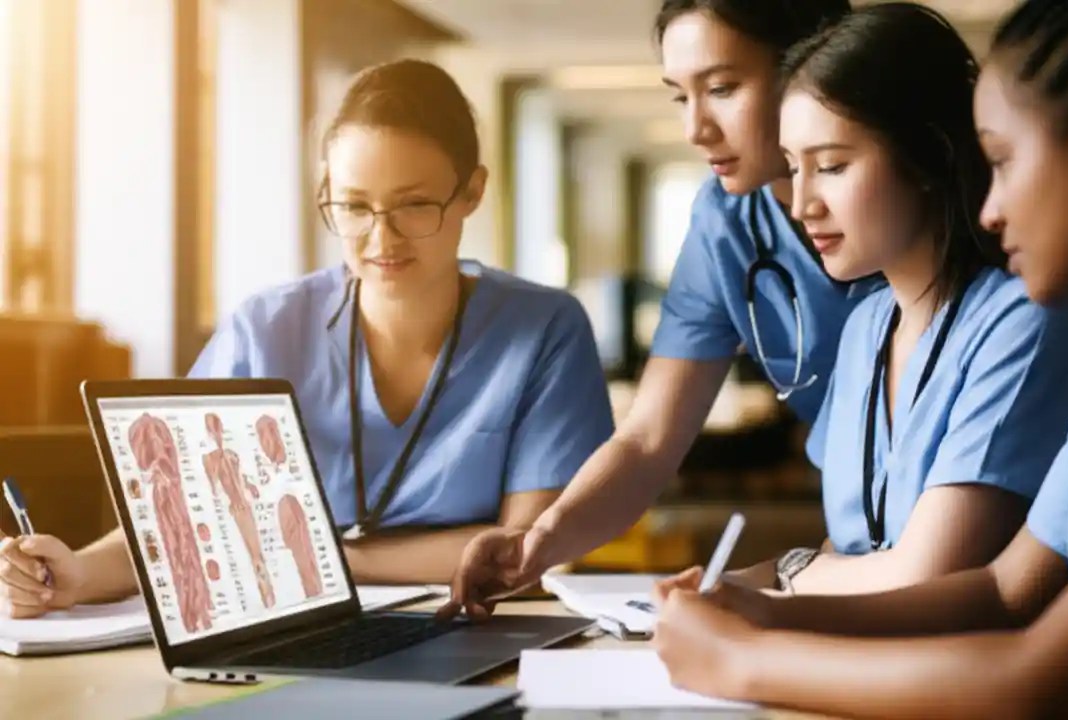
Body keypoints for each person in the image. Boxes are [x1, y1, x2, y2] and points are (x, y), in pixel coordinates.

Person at [652, 0, 1068, 717]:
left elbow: (1043, 683)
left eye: (1004, 163)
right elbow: (1006, 590)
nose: (989, 208)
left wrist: (744, 659)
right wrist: (769, 614)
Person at [0, 59, 614, 619]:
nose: (382, 240)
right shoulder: (265, 330)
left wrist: (330, 562)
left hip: (473, 627)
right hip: (287, 626)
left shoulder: (544, 330)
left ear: (472, 192)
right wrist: (75, 574)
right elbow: (179, 529)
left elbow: (527, 550)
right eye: (353, 207)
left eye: (415, 205)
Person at [445, 0, 878, 619]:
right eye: (680, 97)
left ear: (811, 65)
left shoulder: (923, 233)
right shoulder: (726, 225)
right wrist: (539, 539)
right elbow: (649, 438)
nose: (696, 129)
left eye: (723, 88)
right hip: (856, 548)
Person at [686, 3, 1068, 598]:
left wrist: (789, 574)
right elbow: (857, 550)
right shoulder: (865, 329)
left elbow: (926, 575)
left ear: (927, 156)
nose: (802, 204)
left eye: (831, 166)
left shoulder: (1026, 322)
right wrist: (725, 588)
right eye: (791, 169)